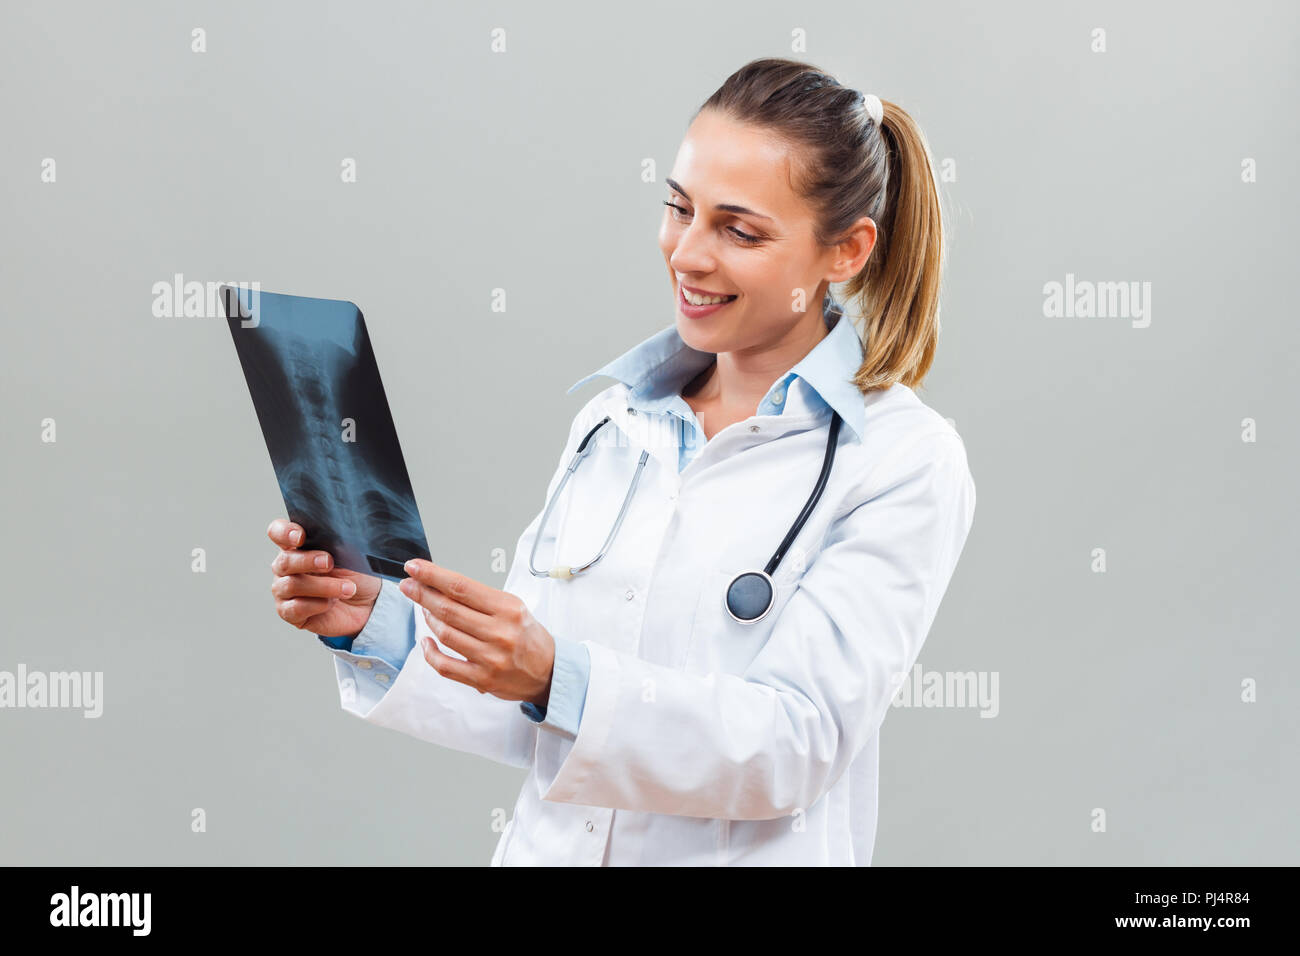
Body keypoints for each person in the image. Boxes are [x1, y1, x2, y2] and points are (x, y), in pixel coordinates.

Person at [265, 57, 976, 866]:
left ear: (845, 250)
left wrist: (554, 673)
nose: (688, 254)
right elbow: (532, 704)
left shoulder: (902, 460)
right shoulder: (613, 422)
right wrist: (372, 621)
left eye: (739, 230)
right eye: (679, 209)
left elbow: (796, 745)